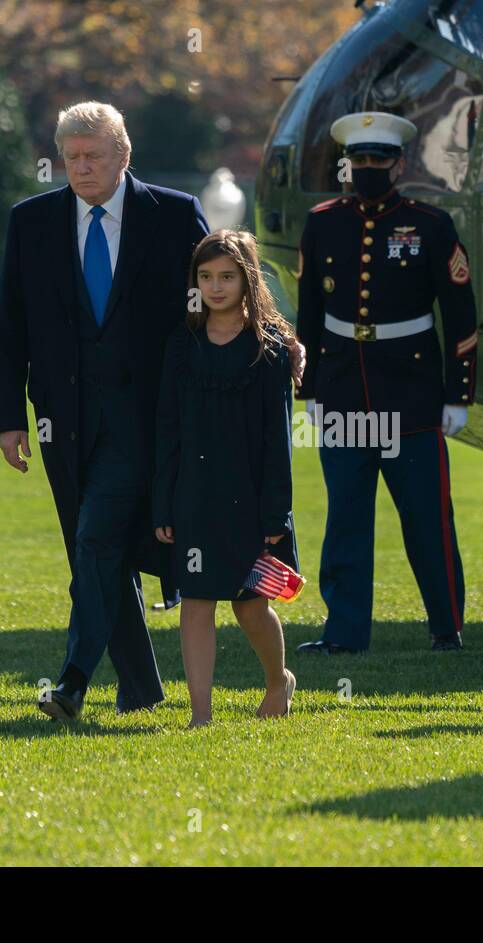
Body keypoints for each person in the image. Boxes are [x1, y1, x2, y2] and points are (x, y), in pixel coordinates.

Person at [0, 101, 304, 721]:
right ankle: (139, 689)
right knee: (101, 551)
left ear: (122, 155)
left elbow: (223, 286)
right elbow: (11, 324)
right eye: (70, 157)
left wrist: (278, 337)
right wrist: (8, 418)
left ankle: (75, 680)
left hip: (148, 421)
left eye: (93, 156)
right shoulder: (30, 222)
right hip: (64, 420)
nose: (79, 168)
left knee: (97, 536)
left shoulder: (173, 213)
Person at [293, 110, 479, 654]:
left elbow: (461, 316)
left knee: (426, 519)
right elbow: (308, 314)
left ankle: (447, 627)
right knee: (346, 518)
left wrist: (457, 394)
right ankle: (345, 635)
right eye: (360, 160)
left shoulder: (431, 225)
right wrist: (309, 388)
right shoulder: (322, 221)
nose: (369, 168)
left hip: (412, 394)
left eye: (379, 159)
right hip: (345, 391)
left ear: (400, 163)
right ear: (347, 165)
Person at [153, 230, 299, 728]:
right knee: (195, 602)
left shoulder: (270, 350)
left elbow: (278, 440)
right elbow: (167, 430)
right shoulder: (180, 345)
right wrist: (163, 504)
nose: (216, 287)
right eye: (206, 276)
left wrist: (275, 513)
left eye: (228, 277)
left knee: (250, 607)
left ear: (247, 280)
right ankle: (200, 716)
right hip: (193, 496)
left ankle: (278, 681)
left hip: (252, 500)